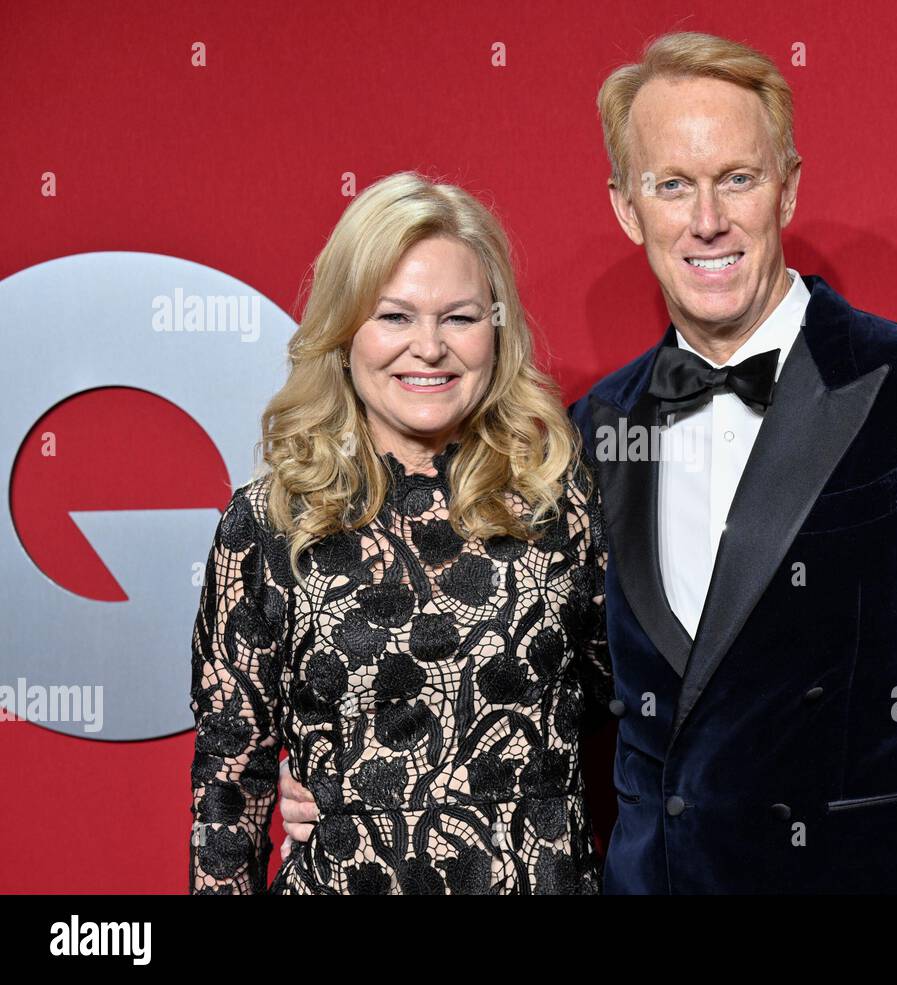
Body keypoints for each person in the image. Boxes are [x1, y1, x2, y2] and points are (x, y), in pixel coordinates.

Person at [283, 31, 897, 894]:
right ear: (628, 207)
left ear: (787, 188)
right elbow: (535, 684)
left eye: (737, 178)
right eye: (672, 185)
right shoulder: (587, 434)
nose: (707, 220)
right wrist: (353, 783)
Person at [188, 171, 612, 894]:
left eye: (459, 317)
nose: (429, 348)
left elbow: (640, 713)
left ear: (496, 329)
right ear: (344, 331)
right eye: (394, 316)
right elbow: (230, 786)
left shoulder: (560, 501)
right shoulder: (266, 524)